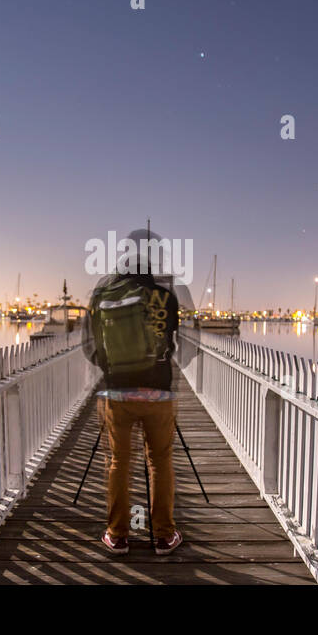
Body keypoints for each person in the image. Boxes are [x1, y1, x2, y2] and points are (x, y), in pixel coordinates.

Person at [81, 230, 183, 556]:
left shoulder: (102, 297)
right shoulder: (165, 297)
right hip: (159, 394)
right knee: (160, 462)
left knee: (118, 463)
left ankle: (118, 534)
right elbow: (172, 342)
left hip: (116, 394)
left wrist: (112, 368)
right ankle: (164, 536)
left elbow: (90, 348)